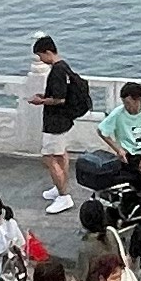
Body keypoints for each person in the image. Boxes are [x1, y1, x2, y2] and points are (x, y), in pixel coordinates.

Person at [29, 34, 88, 211]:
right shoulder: (64, 67)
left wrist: (41, 101)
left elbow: (59, 99)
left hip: (55, 121)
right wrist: (46, 96)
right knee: (61, 154)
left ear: (48, 52)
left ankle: (64, 196)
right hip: (64, 120)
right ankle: (60, 187)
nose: (41, 59)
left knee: (49, 157)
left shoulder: (56, 71)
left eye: (40, 55)